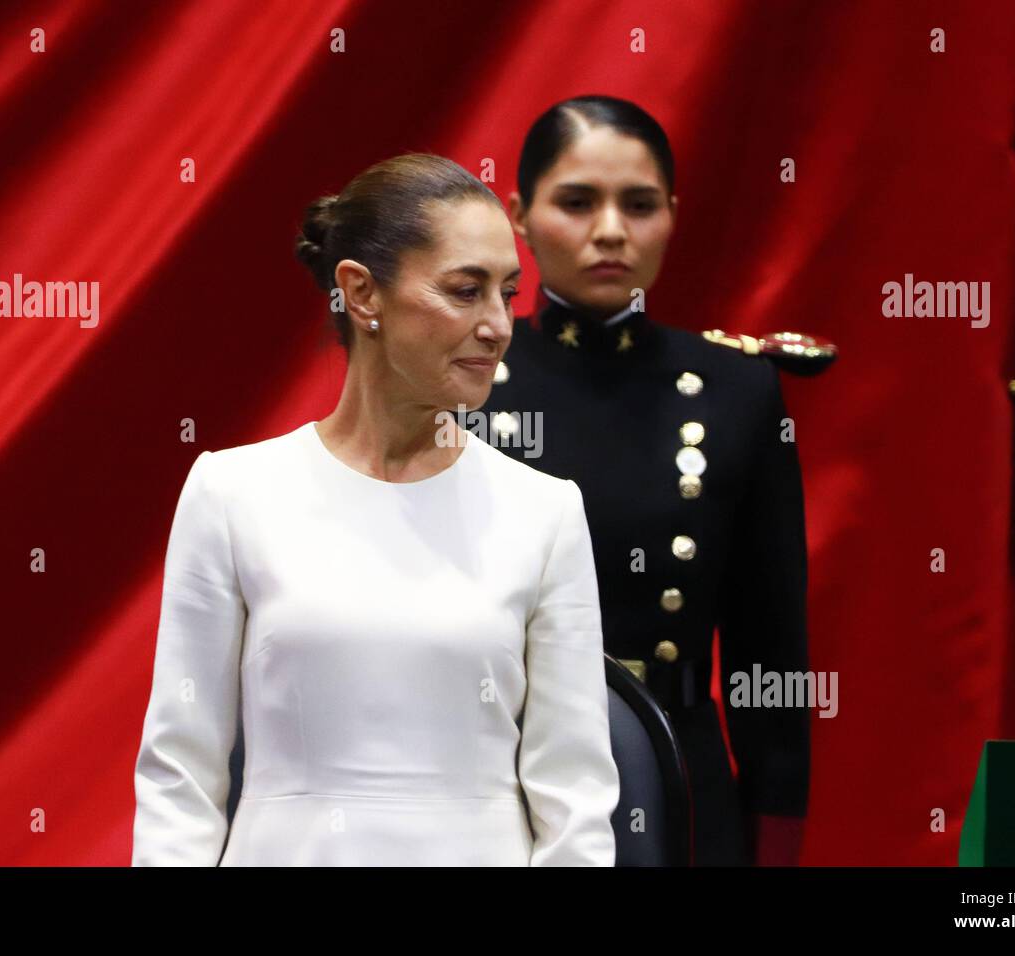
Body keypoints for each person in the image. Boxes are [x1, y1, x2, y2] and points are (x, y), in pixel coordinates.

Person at [131, 153, 620, 866]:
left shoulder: (545, 513)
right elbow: (180, 777)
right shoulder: (231, 494)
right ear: (361, 294)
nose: (497, 325)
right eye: (465, 290)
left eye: (507, 293)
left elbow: (574, 803)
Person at [481, 96, 811, 866]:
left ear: (671, 213)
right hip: (497, 777)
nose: (609, 231)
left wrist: (775, 834)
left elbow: (771, 652)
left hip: (677, 777)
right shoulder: (469, 386)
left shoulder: (736, 391)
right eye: (576, 201)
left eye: (638, 204)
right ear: (519, 216)